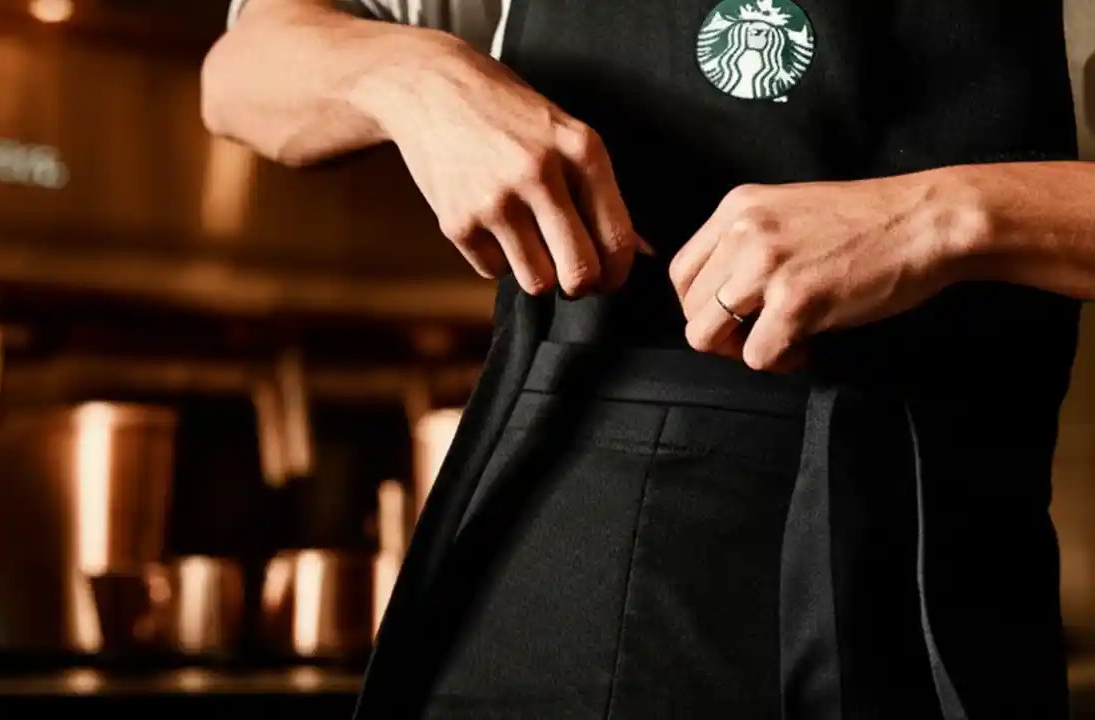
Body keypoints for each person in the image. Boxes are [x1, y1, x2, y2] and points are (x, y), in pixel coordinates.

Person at [201, 0, 1092, 717]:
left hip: (951, 593)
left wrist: (951, 216)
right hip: (586, 587)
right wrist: (413, 73)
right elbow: (243, 70)